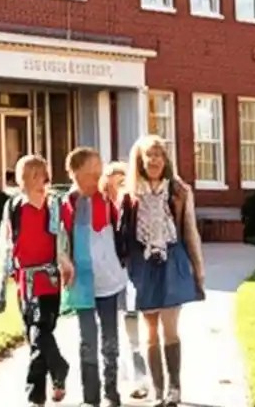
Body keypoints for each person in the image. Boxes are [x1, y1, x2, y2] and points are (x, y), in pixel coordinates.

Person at [120, 134, 205, 407]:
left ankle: (175, 389)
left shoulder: (179, 191)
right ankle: (158, 390)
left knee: (171, 328)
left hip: (172, 260)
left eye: (159, 154)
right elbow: (120, 235)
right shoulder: (129, 195)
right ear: (140, 160)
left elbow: (189, 231)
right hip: (142, 265)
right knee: (150, 330)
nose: (154, 159)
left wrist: (198, 269)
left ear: (166, 159)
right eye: (149, 155)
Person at [0, 154, 73, 406]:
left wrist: (66, 263)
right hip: (24, 284)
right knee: (35, 338)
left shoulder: (55, 208)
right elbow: (6, 247)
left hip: (48, 280)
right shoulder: (14, 209)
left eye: (44, 176)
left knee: (40, 332)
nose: (42, 182)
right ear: (22, 182)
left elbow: (62, 242)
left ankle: (55, 373)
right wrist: (1, 289)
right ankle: (44, 391)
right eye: (35, 177)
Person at [59, 148, 128, 407]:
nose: (96, 179)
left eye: (99, 173)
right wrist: (63, 262)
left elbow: (126, 185)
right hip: (82, 284)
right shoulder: (67, 204)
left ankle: (112, 392)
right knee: (88, 339)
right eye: (90, 174)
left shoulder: (108, 197)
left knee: (110, 339)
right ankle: (91, 397)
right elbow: (60, 243)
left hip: (109, 280)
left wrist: (114, 185)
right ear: (74, 173)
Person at [103, 161, 150, 403]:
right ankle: (118, 379)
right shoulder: (99, 207)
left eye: (122, 180)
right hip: (106, 277)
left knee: (131, 326)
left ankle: (139, 379)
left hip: (127, 274)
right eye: (114, 181)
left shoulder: (131, 206)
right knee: (111, 332)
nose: (118, 186)